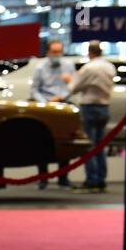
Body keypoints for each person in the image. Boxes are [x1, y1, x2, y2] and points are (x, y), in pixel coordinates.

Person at [68, 41, 117, 192]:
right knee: (101, 145)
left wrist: (70, 81)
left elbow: (75, 88)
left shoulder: (89, 67)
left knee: (89, 145)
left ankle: (92, 180)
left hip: (89, 107)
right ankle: (101, 178)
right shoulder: (110, 66)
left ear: (89, 53)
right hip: (104, 107)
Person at [29, 40, 77, 188]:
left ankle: (63, 177)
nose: (57, 55)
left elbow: (74, 85)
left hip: (63, 105)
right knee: (42, 142)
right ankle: (43, 177)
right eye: (54, 52)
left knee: (65, 141)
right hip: (46, 106)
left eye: (59, 52)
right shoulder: (40, 67)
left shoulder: (68, 65)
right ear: (48, 52)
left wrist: (62, 97)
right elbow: (34, 89)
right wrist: (45, 102)